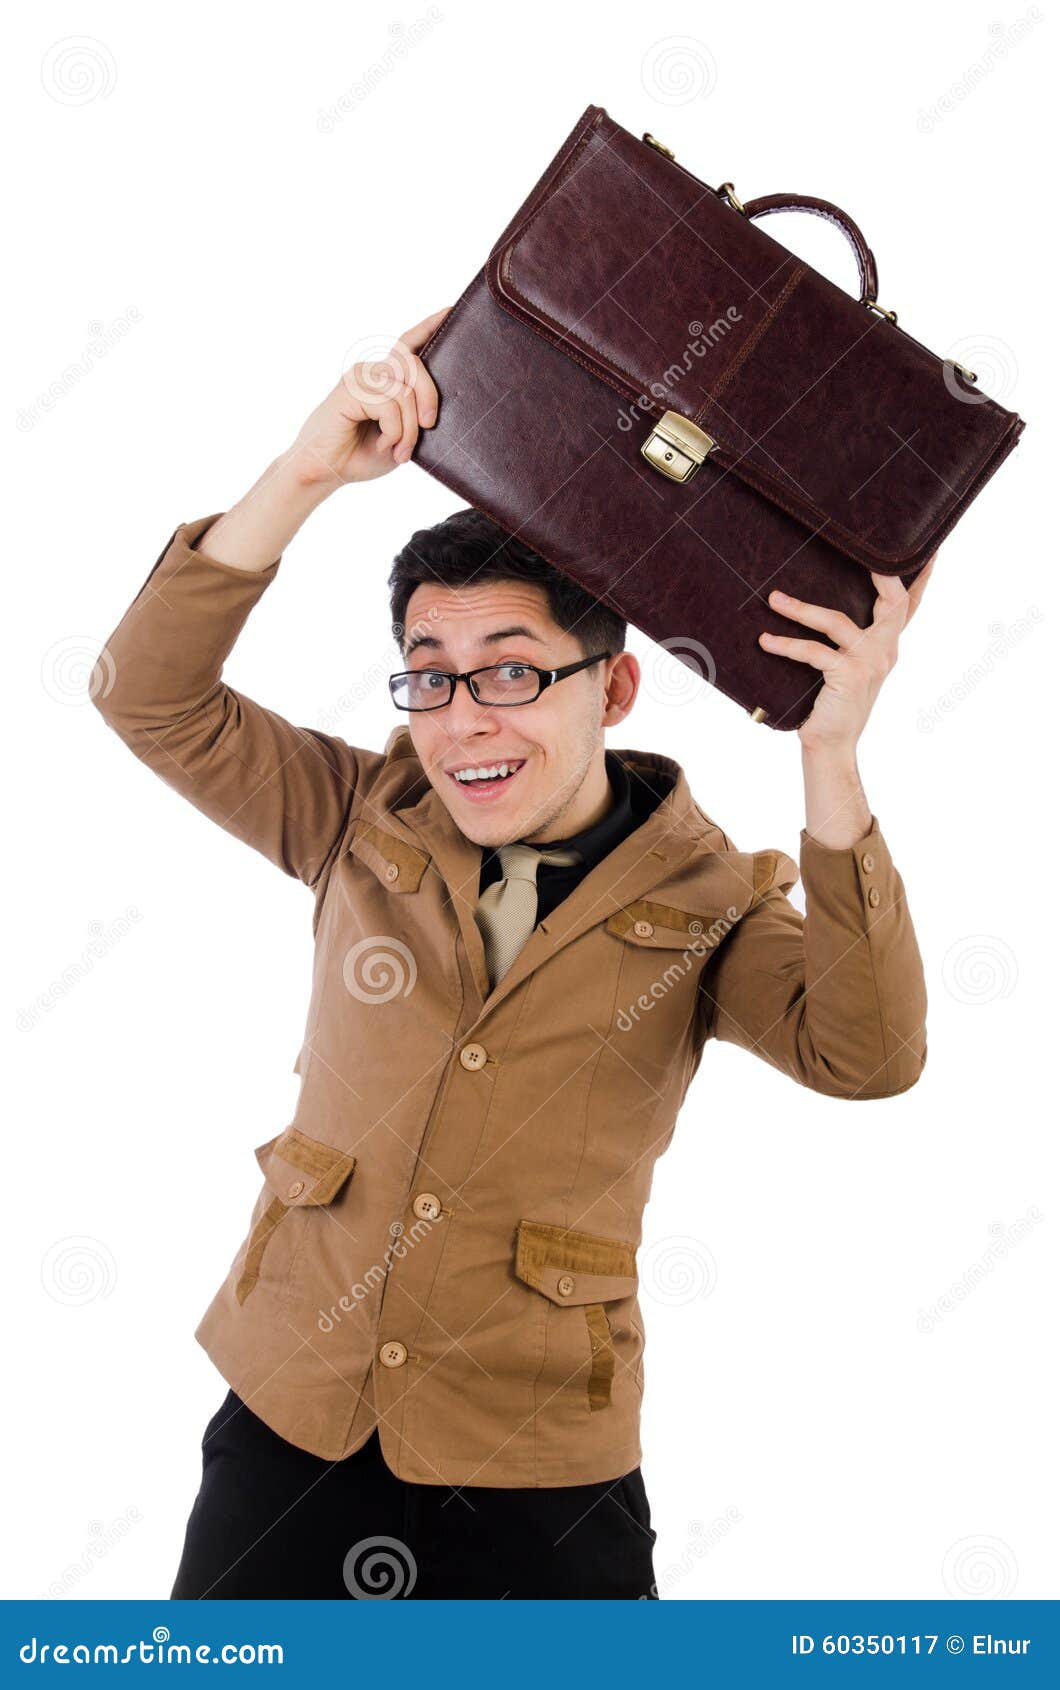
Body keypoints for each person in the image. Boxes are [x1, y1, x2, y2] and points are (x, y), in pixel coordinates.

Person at [90, 309, 931, 1600]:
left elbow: (868, 1055)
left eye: (511, 673)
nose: (463, 721)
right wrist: (306, 471)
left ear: (614, 688)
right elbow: (146, 693)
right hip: (293, 1419)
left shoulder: (710, 897)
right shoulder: (355, 816)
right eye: (430, 676)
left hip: (540, 1466)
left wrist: (831, 755)